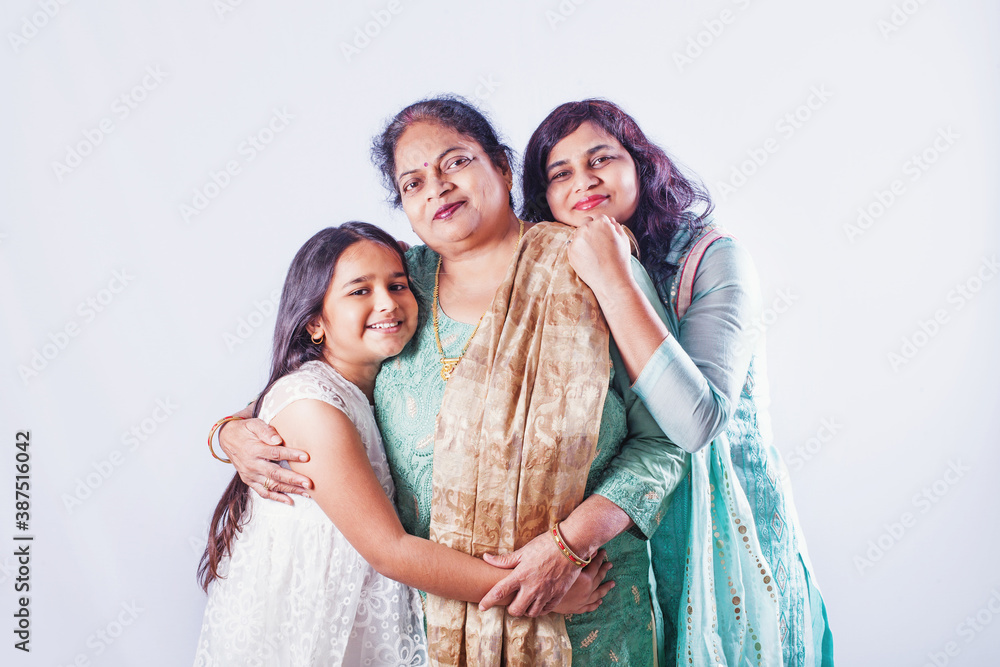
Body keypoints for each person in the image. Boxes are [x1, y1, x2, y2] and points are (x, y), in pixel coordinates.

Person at [217, 98, 689, 666]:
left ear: (503, 168)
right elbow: (318, 385)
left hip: (587, 606)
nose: (436, 188)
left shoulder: (591, 262)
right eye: (413, 182)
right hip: (435, 623)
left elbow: (665, 439)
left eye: (455, 162)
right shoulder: (400, 286)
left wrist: (567, 547)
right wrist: (231, 431)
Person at [195, 222, 614, 666]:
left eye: (397, 285)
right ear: (314, 322)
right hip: (314, 635)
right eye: (359, 291)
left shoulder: (370, 385)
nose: (387, 303)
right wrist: (537, 590)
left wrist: (225, 428)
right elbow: (390, 550)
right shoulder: (311, 404)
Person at [520, 99, 835, 667]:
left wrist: (615, 275)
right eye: (559, 173)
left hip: (725, 540)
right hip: (620, 544)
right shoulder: (549, 275)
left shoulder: (712, 258)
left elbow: (695, 424)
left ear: (641, 165)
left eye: (601, 159)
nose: (583, 181)